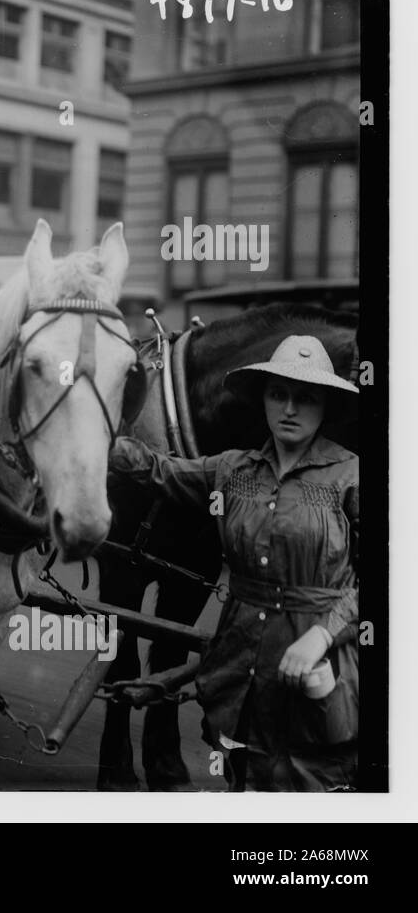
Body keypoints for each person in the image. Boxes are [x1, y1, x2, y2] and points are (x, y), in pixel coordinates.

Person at [109, 335, 360, 791]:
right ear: (262, 399)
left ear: (325, 407)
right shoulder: (233, 471)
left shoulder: (352, 478)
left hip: (318, 667)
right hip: (240, 668)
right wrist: (95, 433)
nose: (289, 408)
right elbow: (157, 470)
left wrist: (322, 635)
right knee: (243, 776)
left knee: (311, 785)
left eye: (305, 398)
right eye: (278, 394)